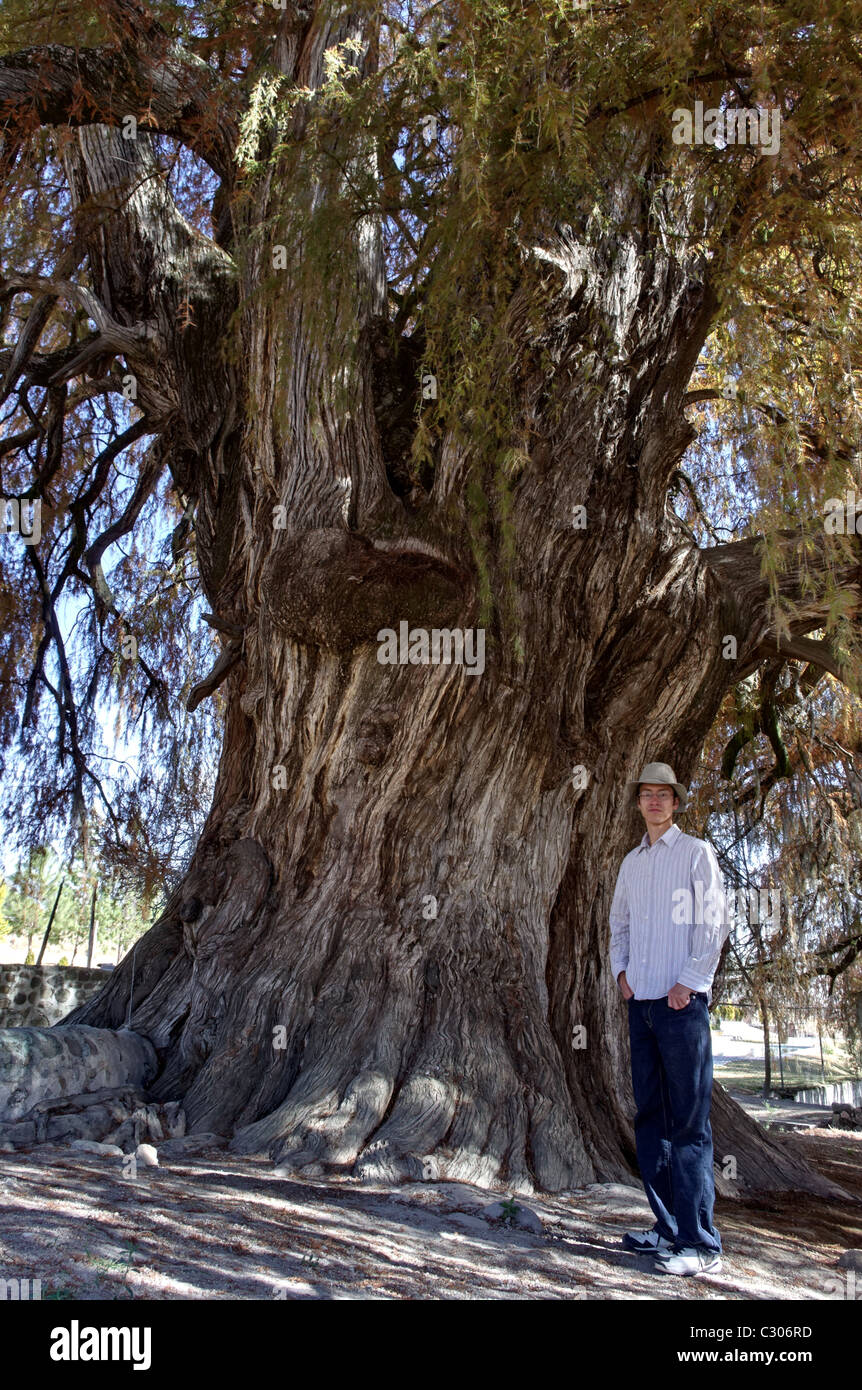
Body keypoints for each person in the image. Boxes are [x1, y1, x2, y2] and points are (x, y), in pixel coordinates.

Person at [609, 761, 730, 1277]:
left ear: (676, 802)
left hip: (682, 1008)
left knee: (689, 1125)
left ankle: (700, 1244)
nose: (655, 802)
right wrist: (622, 974)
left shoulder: (696, 854)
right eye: (647, 794)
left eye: (664, 794)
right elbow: (620, 922)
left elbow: (714, 921)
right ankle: (665, 1228)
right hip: (643, 1008)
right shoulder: (631, 863)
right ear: (639, 803)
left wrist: (690, 981)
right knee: (651, 1121)